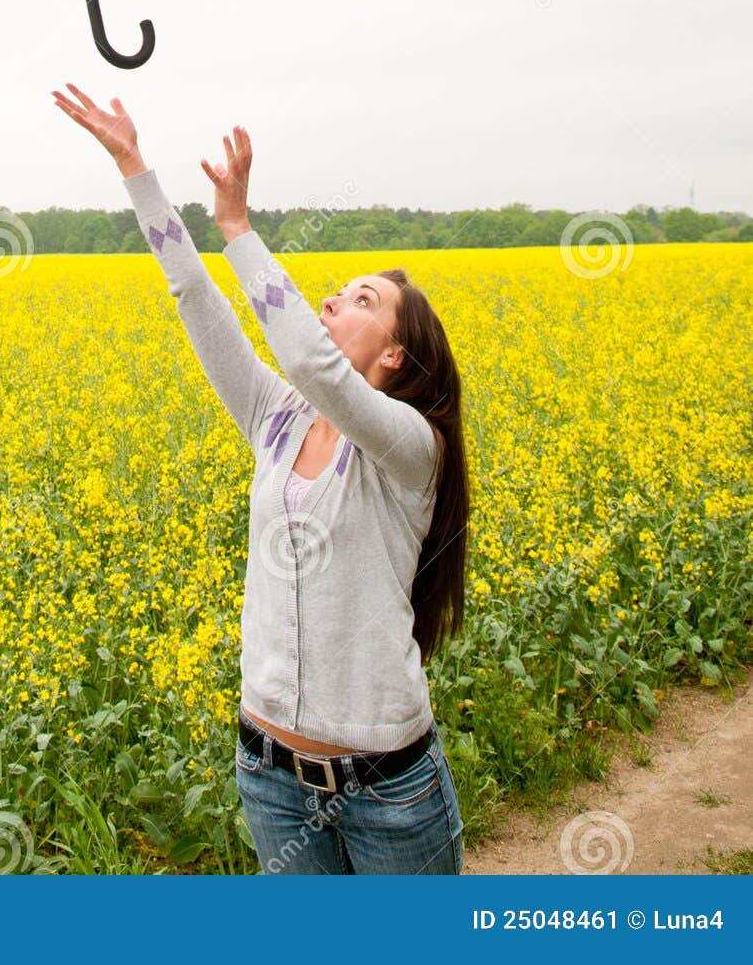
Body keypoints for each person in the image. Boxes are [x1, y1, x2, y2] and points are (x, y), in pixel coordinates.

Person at [52, 82, 470, 875]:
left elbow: (313, 364)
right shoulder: (276, 421)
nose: (330, 301)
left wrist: (238, 228)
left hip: (389, 791)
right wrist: (136, 166)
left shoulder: (411, 451)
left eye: (360, 300)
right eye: (337, 291)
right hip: (271, 776)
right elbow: (195, 299)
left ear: (394, 355)